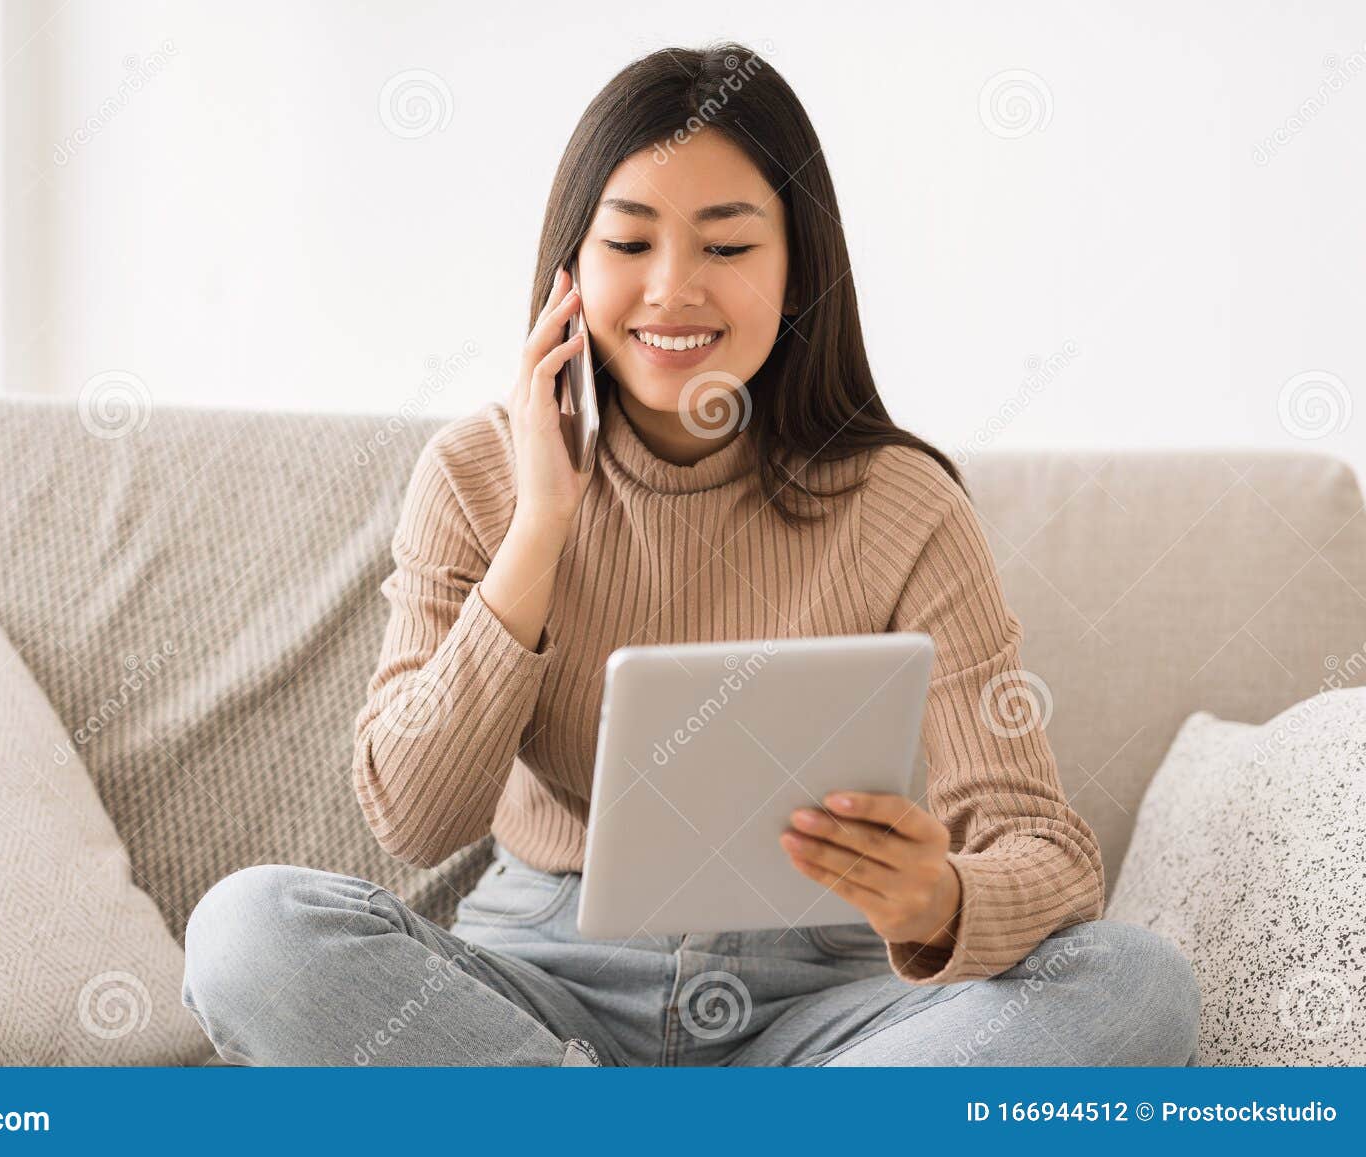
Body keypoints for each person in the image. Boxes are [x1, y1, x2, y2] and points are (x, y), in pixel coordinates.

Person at [181, 41, 1202, 1067]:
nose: (671, 291)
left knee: (1131, 983)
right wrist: (540, 523)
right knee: (248, 930)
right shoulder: (474, 475)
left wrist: (941, 897)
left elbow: (1049, 851)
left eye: (725, 248)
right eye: (628, 244)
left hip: (821, 1007)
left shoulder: (905, 504)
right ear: (568, 272)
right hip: (541, 989)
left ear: (798, 267)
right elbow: (411, 812)